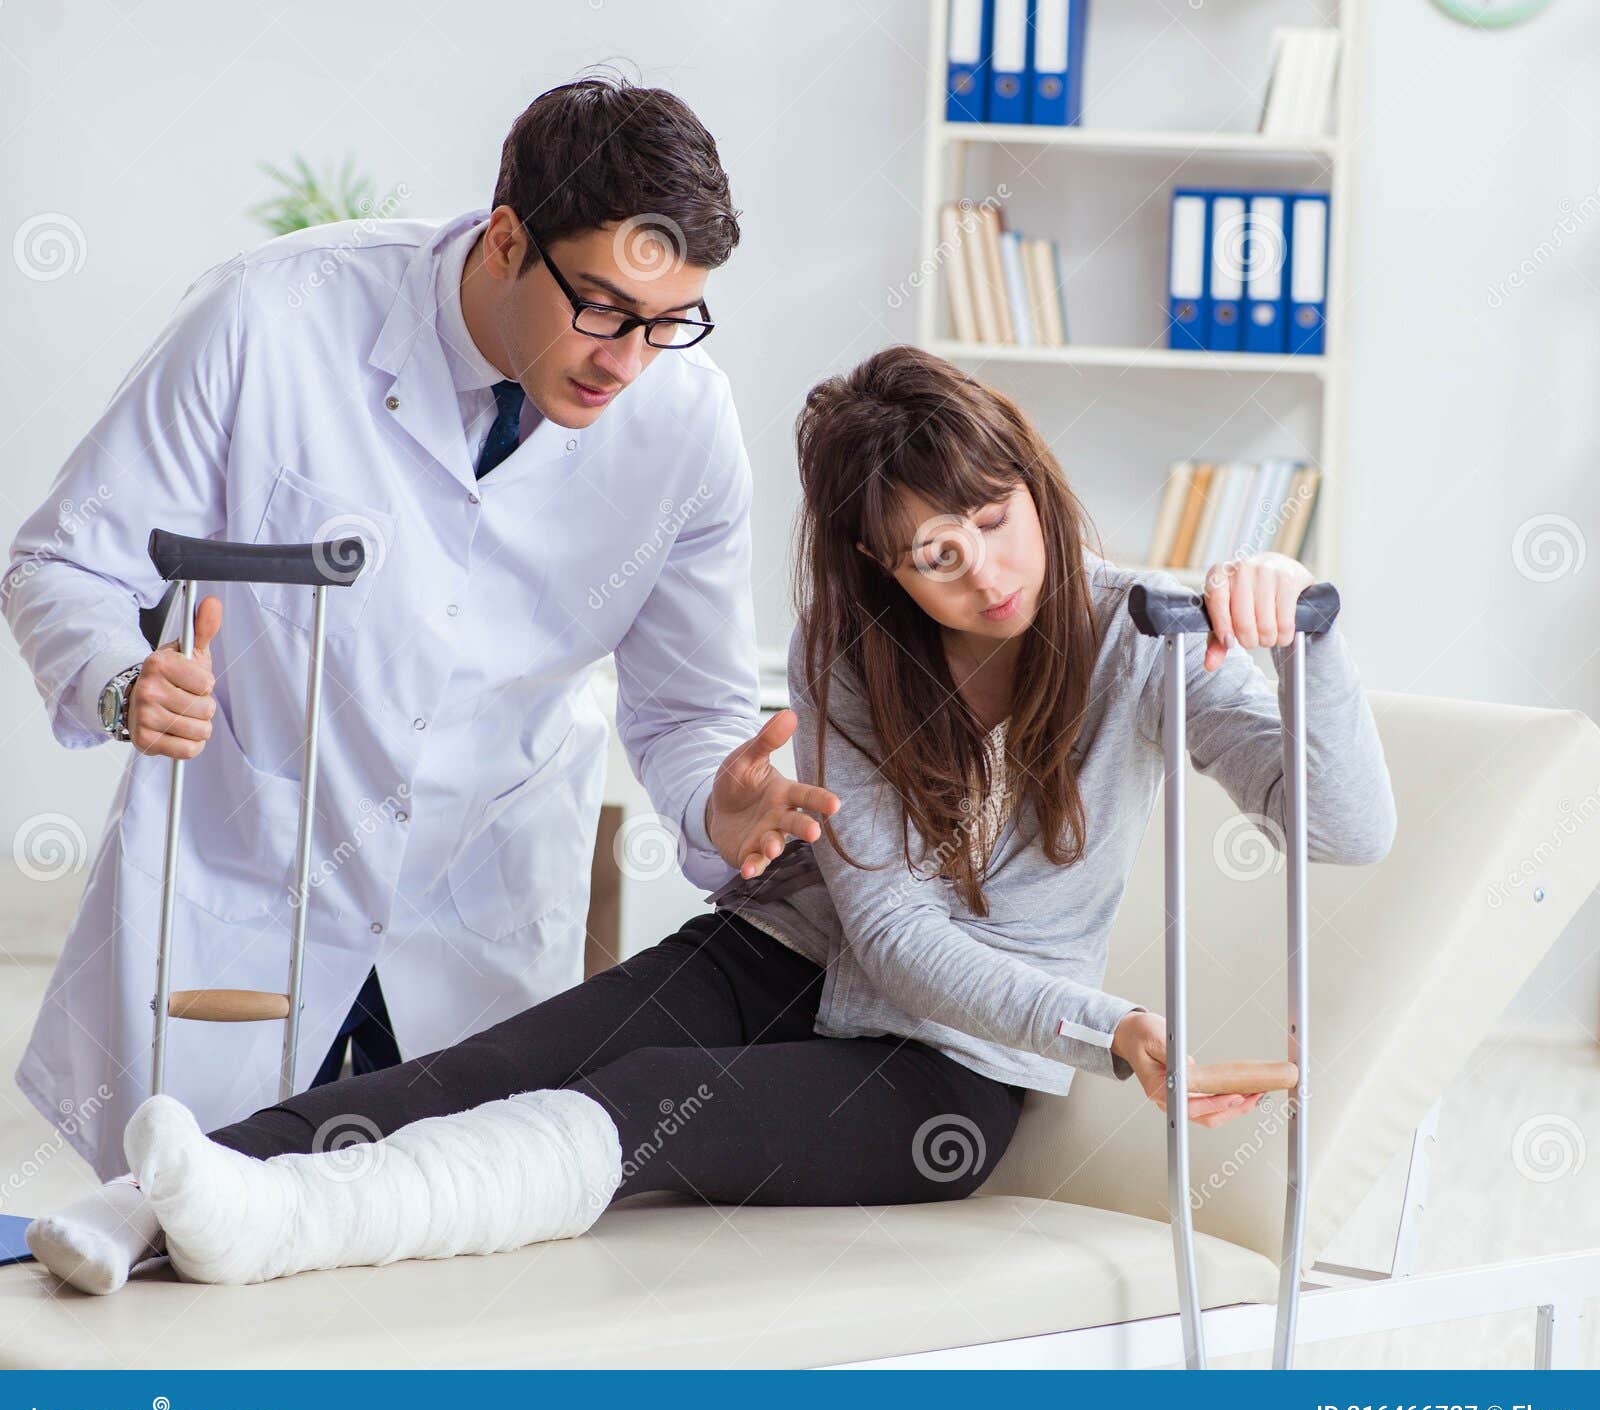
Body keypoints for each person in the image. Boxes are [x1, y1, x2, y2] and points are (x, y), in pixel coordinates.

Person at [25, 345, 1396, 1295]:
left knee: (635, 1105)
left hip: (953, 1076)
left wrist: (1303, 631)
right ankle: (129, 1209)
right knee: (481, 1065)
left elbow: (1347, 831)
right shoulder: (845, 652)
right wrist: (1116, 1025)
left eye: (995, 518)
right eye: (933, 552)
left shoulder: (1141, 636)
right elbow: (890, 925)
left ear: (1033, 481)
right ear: (877, 562)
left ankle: (265, 1232)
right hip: (774, 957)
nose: (983, 572)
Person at [3, 76, 837, 1186]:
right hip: (247, 902)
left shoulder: (685, 424)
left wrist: (712, 801)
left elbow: (687, 710)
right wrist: (120, 683)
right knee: (189, 1244)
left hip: (480, 919)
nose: (626, 362)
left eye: (666, 323)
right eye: (600, 309)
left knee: (430, 1266)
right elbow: (63, 562)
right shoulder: (271, 318)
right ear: (504, 240)